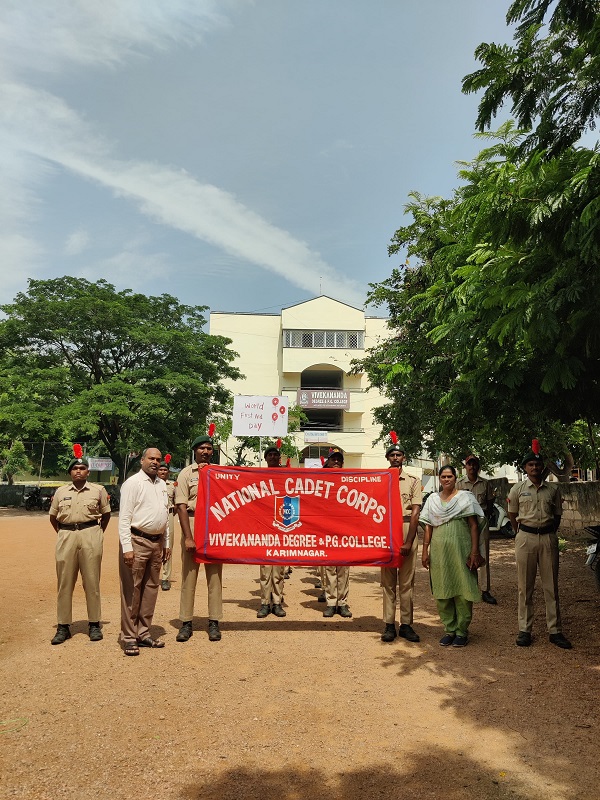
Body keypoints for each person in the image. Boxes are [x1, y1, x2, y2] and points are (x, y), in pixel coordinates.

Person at [508, 445, 571, 649]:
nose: (534, 467)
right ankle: (525, 630)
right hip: (525, 537)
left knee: (551, 586)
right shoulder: (517, 489)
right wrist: (520, 531)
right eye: (531, 464)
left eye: (537, 464)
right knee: (524, 587)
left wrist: (550, 531)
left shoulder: (552, 489)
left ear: (542, 467)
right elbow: (512, 513)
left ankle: (555, 630)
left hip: (547, 538)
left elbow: (558, 515)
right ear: (525, 468)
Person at [48, 450, 111, 644]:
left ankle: (94, 624)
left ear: (88, 472)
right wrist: (64, 532)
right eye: (75, 468)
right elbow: (53, 517)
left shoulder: (98, 490)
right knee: (64, 582)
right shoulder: (60, 492)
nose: (78, 471)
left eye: (82, 468)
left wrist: (97, 533)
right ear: (70, 472)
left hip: (91, 534)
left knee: (92, 582)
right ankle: (63, 626)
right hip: (66, 535)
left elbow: (106, 514)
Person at [420, 465, 484, 647]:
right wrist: (425, 550)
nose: (446, 479)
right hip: (439, 550)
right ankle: (449, 629)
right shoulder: (432, 500)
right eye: (443, 476)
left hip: (461, 548)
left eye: (450, 476)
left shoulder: (465, 498)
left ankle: (462, 631)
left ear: (456, 478)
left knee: (463, 588)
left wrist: (474, 551)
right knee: (442, 588)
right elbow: (428, 526)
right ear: (439, 479)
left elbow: (473, 525)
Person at [118, 447, 170, 655]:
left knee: (151, 589)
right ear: (142, 460)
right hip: (136, 540)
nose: (155, 462)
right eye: (151, 458)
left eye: (158, 459)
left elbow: (165, 516)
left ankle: (144, 633)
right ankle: (129, 636)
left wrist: (166, 543)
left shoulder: (162, 485)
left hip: (156, 543)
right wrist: (127, 548)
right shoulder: (133, 483)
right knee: (132, 590)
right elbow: (124, 518)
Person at [175, 434, 223, 642]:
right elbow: (181, 506)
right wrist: (188, 537)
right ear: (194, 451)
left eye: (209, 449)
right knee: (189, 577)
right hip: (193, 524)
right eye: (201, 448)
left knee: (215, 578)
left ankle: (214, 622)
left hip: (213, 526)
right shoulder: (186, 474)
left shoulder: (220, 473)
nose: (205, 452)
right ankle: (186, 623)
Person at [380, 440, 422, 643]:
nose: (395, 458)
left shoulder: (413, 481)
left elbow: (415, 512)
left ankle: (406, 625)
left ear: (404, 457)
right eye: (392, 455)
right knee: (388, 583)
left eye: (399, 455)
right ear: (387, 458)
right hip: (386, 530)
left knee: (406, 582)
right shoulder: (379, 479)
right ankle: (389, 624)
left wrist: (408, 541)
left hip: (406, 528)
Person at [457, 455, 496, 604]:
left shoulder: (485, 484)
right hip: (465, 522)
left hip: (481, 521)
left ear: (478, 467)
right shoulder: (459, 484)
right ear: (465, 466)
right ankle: (469, 586)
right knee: (466, 552)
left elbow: (490, 503)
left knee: (483, 553)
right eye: (469, 464)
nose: (472, 467)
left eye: (474, 464)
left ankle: (485, 590)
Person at [257, 445, 286, 618]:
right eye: (270, 455)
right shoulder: (259, 476)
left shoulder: (287, 476)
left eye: (276, 455)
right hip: (265, 528)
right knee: (265, 569)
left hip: (282, 525)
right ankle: (264, 603)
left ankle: (277, 602)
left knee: (278, 570)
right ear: (266, 458)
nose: (273, 457)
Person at [322, 449, 352, 618]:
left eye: (339, 460)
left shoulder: (348, 480)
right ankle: (331, 603)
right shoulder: (321, 480)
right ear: (327, 462)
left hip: (344, 531)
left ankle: (343, 603)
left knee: (344, 569)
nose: (336, 462)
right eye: (333, 459)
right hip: (326, 529)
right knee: (329, 568)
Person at [157, 459, 176, 591]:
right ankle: (152, 576)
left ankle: (165, 578)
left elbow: (176, 502)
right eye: (161, 469)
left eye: (165, 470)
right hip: (154, 515)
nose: (163, 472)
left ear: (168, 472)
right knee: (154, 545)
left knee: (168, 546)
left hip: (169, 514)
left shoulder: (172, 486)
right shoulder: (152, 484)